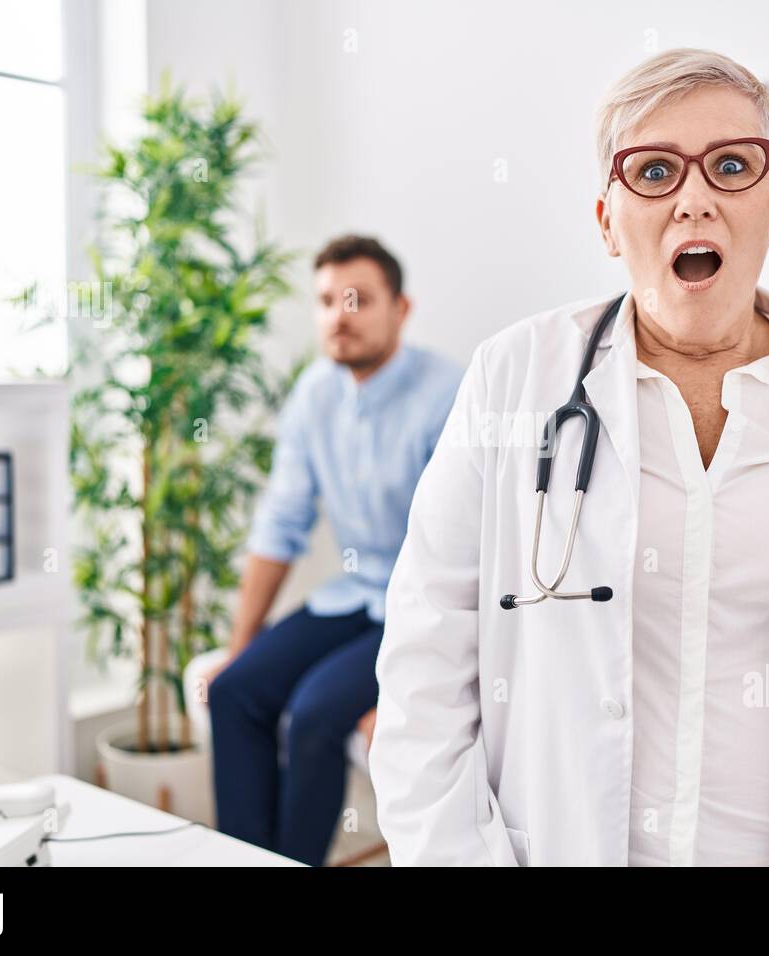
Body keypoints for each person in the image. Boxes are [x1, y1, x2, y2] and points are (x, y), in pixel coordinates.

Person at [369, 49, 769, 866]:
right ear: (606, 220)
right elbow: (424, 683)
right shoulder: (512, 379)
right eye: (656, 171)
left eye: (732, 166)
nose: (695, 199)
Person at [208, 234, 461, 866]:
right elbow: (280, 525)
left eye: (357, 299)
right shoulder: (313, 395)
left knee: (314, 713)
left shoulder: (449, 393)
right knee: (235, 690)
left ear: (400, 309)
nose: (339, 315)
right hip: (350, 596)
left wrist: (415, 682)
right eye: (325, 301)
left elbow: (468, 554)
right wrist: (242, 645)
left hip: (418, 604)